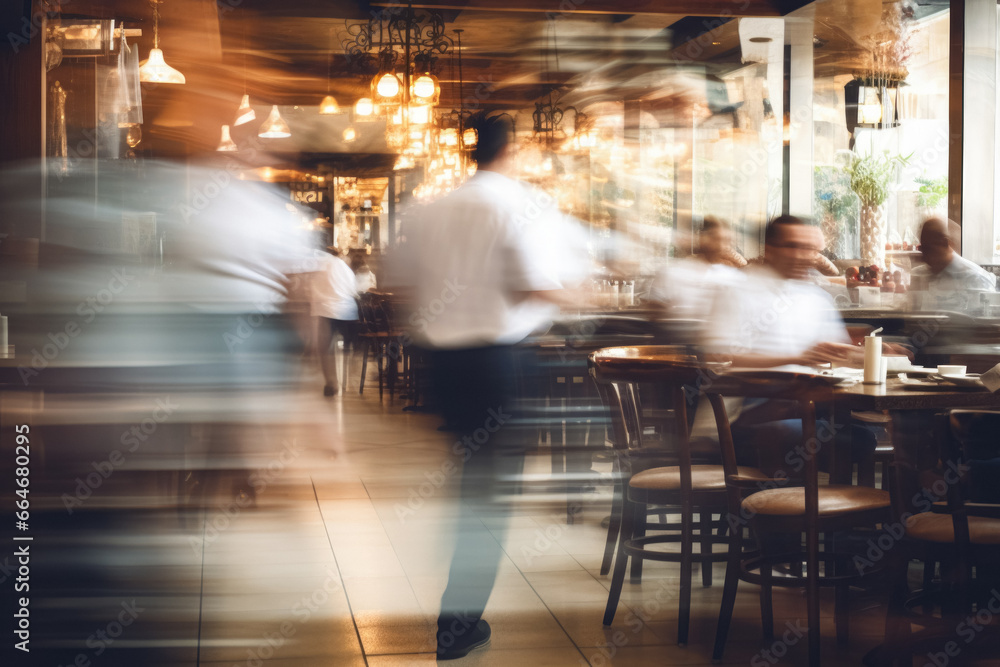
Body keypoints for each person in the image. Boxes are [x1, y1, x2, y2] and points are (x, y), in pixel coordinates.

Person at [390, 114, 564, 660]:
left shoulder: (432, 208)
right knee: (486, 493)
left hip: (443, 364)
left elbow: (399, 285)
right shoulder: (516, 203)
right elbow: (535, 285)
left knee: (472, 481)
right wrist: (571, 294)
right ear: (511, 149)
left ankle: (457, 606)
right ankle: (457, 624)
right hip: (497, 364)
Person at [704, 215, 907, 475]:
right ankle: (781, 511)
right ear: (770, 249)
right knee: (839, 437)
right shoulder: (737, 291)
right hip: (741, 414)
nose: (804, 256)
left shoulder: (816, 297)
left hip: (805, 405)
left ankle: (833, 512)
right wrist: (796, 357)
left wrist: (876, 353)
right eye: (793, 246)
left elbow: (836, 353)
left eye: (810, 249)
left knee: (861, 437)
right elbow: (718, 357)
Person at [649, 216, 744, 321]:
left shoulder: (734, 278)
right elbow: (654, 315)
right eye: (715, 239)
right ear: (700, 237)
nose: (721, 246)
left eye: (727, 241)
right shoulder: (670, 273)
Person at [911, 217, 996, 311]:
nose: (924, 256)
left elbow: (987, 321)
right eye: (922, 249)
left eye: (929, 249)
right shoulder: (918, 275)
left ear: (945, 243)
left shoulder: (976, 279)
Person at [310, 246, 359, 396]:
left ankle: (331, 383)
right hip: (347, 310)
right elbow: (353, 288)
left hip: (326, 310)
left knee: (325, 348)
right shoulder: (343, 267)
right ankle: (354, 377)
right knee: (353, 346)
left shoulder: (319, 265)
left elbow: (313, 290)